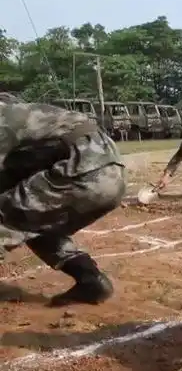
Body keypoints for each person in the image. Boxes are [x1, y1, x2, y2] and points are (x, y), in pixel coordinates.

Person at [0, 93, 126, 307]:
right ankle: (90, 281)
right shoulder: (35, 121)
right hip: (111, 174)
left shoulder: (4, 119)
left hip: (84, 169)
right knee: (35, 225)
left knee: (5, 215)